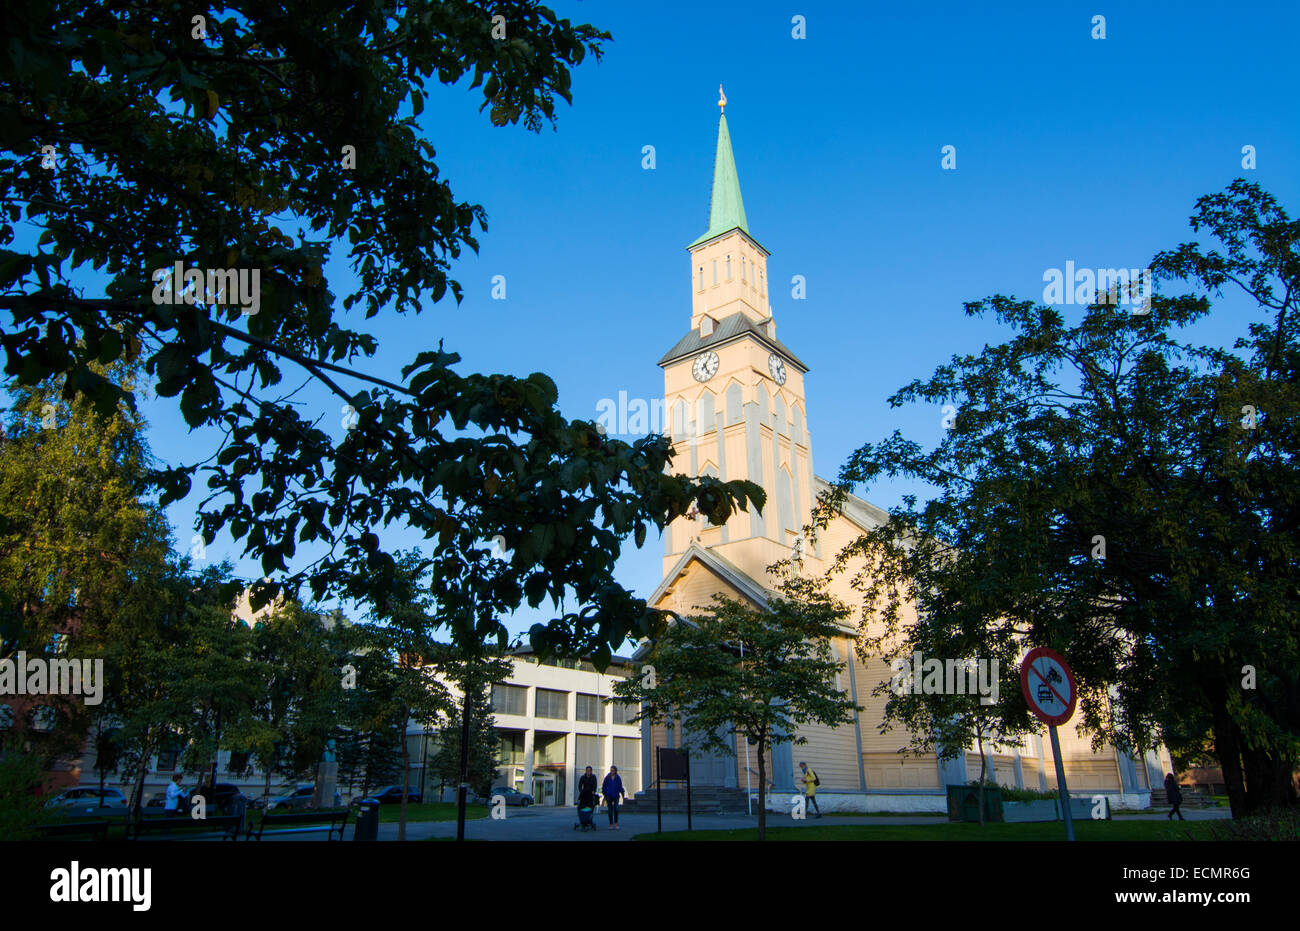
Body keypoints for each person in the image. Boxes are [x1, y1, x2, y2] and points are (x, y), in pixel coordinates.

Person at [602, 765, 626, 830]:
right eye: (611, 770)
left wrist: (623, 795)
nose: (611, 771)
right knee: (610, 810)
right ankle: (610, 823)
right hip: (609, 796)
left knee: (616, 809)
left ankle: (616, 822)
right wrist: (605, 794)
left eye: (613, 770)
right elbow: (604, 786)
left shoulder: (618, 778)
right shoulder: (607, 777)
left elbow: (620, 787)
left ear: (615, 771)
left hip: (615, 796)